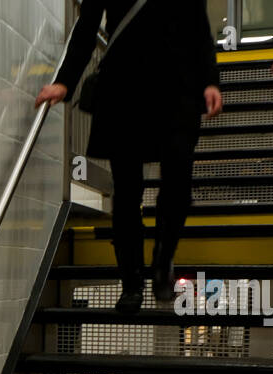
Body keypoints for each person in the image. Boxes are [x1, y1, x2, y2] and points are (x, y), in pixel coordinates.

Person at [37, 0, 223, 313]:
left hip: (178, 91)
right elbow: (86, 28)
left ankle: (163, 258)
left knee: (178, 182)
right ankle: (131, 282)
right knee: (126, 192)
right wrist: (65, 82)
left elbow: (199, 28)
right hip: (124, 89)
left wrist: (210, 81)